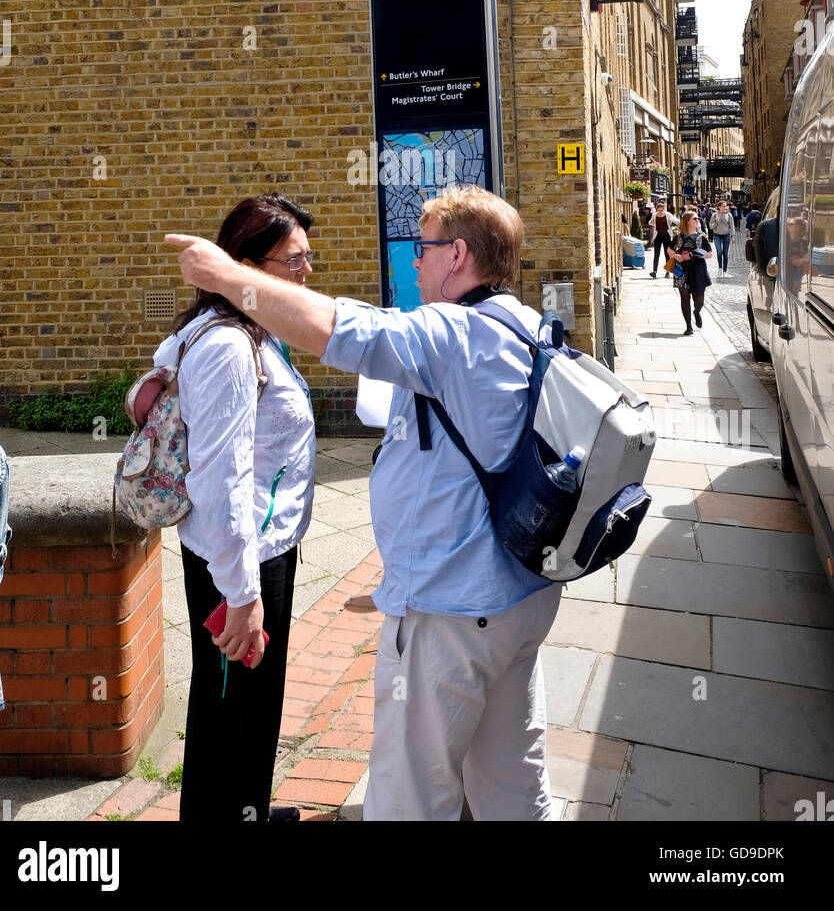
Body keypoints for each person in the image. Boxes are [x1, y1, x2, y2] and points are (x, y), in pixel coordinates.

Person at [166, 186, 564, 822]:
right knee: (512, 784)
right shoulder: (524, 323)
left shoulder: (453, 331)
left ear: (457, 254)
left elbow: (337, 329)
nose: (414, 263)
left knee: (408, 797)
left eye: (423, 247)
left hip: (451, 607)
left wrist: (225, 273)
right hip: (520, 596)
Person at [157, 194, 317, 824]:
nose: (306, 274)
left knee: (247, 701)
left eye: (308, 259)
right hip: (242, 556)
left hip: (258, 548)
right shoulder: (229, 345)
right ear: (247, 265)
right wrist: (243, 593)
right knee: (233, 706)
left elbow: (161, 369)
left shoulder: (234, 328)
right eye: (293, 261)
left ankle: (246, 809)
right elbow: (224, 481)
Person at [667, 210, 713, 335]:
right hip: (681, 269)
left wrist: (691, 255)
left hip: (698, 269)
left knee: (699, 300)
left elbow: (709, 254)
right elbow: (669, 249)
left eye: (698, 218)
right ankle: (688, 326)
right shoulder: (679, 236)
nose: (698, 220)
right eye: (695, 218)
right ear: (688, 221)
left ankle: (696, 312)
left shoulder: (701, 237)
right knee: (684, 298)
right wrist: (675, 255)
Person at [647, 200, 679, 278]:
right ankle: (654, 271)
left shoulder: (667, 215)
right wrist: (654, 223)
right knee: (656, 254)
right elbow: (650, 222)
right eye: (659, 208)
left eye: (662, 208)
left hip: (666, 237)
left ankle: (667, 272)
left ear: (664, 208)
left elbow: (677, 221)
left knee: (667, 254)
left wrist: (672, 224)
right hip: (658, 237)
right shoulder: (654, 215)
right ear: (657, 208)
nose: (660, 209)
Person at [709, 200, 736, 276]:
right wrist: (716, 223)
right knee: (719, 252)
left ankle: (725, 271)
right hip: (717, 235)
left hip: (726, 235)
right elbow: (710, 226)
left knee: (725, 253)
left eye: (726, 206)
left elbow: (732, 226)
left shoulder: (729, 215)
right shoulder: (714, 215)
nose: (725, 208)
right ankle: (720, 269)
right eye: (723, 206)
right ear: (719, 207)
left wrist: (733, 236)